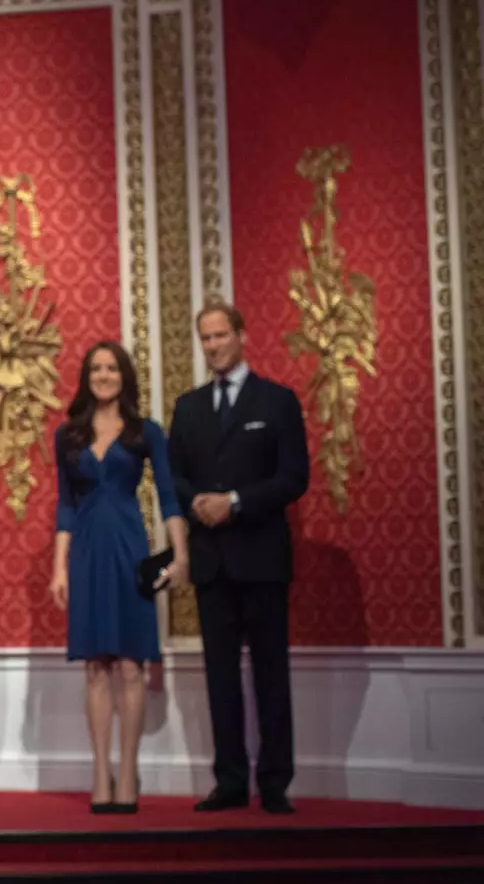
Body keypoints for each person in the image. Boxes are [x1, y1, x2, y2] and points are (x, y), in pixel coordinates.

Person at [168, 301, 309, 815]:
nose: (212, 346)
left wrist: (235, 503)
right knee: (219, 676)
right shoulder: (187, 408)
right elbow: (173, 477)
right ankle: (229, 781)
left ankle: (274, 782)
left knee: (271, 673)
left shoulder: (278, 402)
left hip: (263, 560)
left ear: (242, 335)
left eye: (220, 335)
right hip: (211, 563)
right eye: (204, 338)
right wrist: (198, 503)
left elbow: (294, 478)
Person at [48, 341, 189, 814]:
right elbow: (65, 505)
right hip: (86, 552)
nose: (103, 375)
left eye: (111, 368)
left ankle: (127, 771)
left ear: (124, 376)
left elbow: (169, 497)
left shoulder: (146, 433)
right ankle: (99, 773)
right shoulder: (67, 435)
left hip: (130, 550)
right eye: (96, 368)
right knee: (96, 666)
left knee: (131, 665)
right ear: (86, 376)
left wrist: (181, 554)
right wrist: (58, 567)